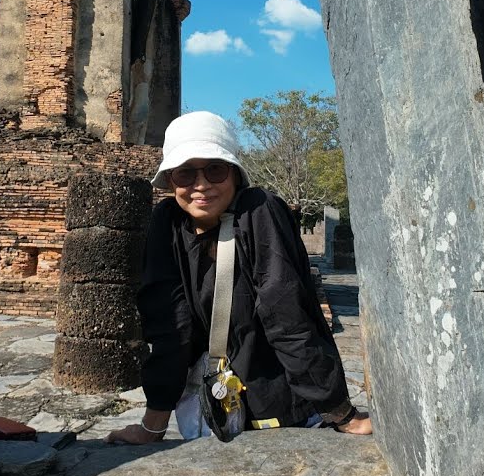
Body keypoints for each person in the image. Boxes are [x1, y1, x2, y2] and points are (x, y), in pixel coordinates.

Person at [107, 111, 372, 444]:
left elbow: (285, 313)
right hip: (216, 408)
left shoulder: (260, 211)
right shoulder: (168, 222)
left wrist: (340, 412)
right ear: (171, 180)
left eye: (215, 170)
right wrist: (153, 426)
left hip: (282, 399)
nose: (201, 185)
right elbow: (169, 329)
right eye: (185, 174)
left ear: (234, 175)